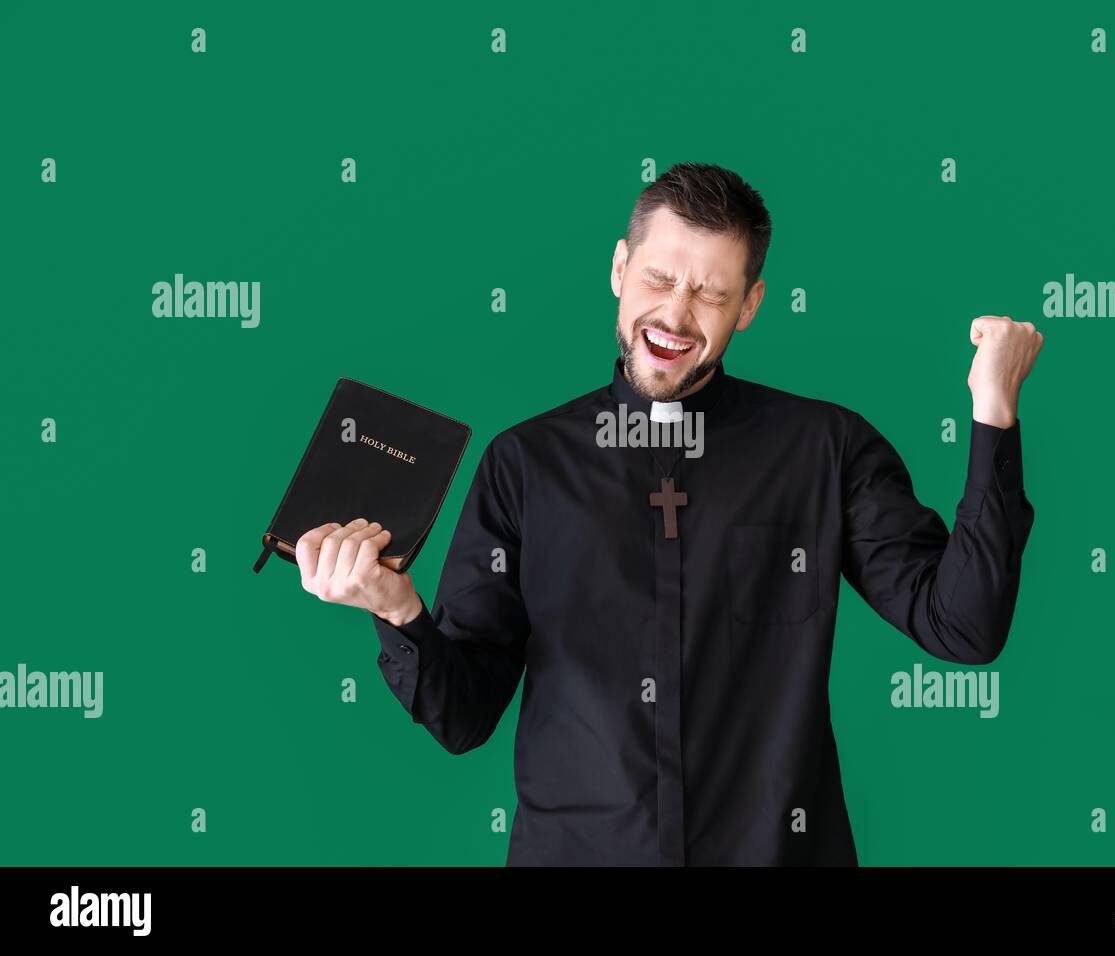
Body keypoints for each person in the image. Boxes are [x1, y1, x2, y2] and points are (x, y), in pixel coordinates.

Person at [294, 162, 1042, 865]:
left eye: (711, 293)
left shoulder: (826, 447)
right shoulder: (524, 464)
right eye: (658, 278)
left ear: (749, 305)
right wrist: (397, 612)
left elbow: (964, 627)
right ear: (620, 268)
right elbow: (464, 718)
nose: (676, 314)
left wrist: (993, 411)